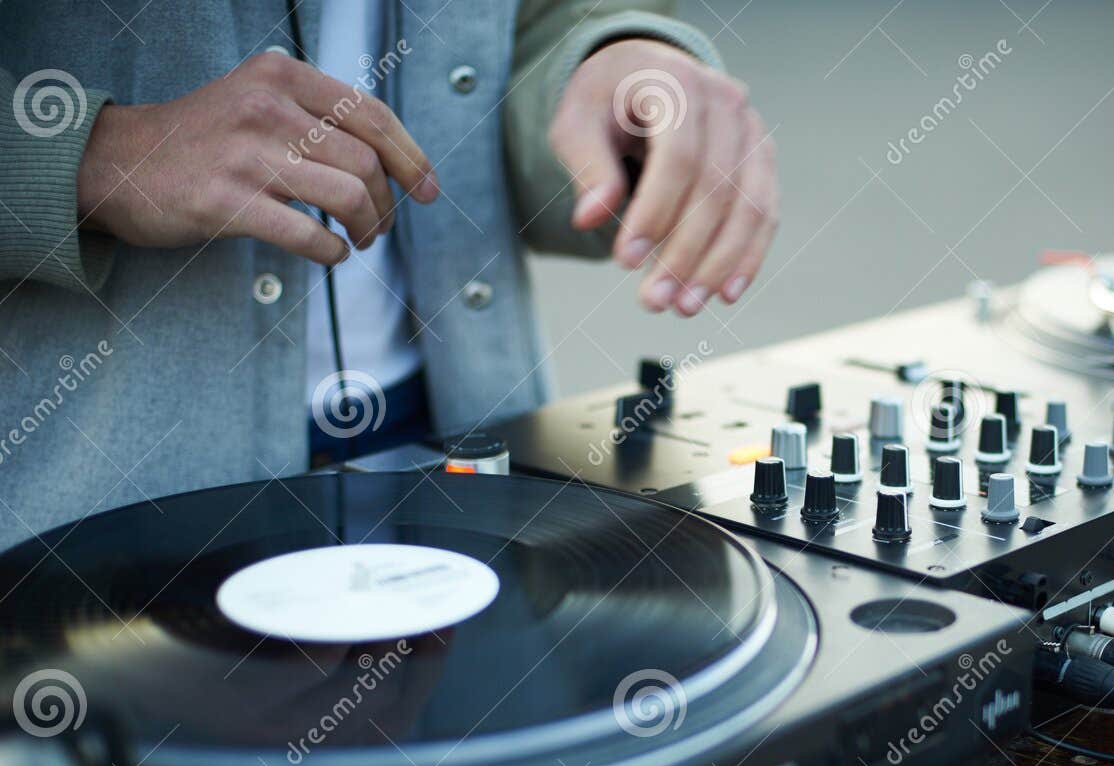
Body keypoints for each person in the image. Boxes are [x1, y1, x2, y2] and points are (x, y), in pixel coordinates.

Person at [0, 1, 777, 545]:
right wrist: (92, 156)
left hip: (468, 442)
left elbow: (533, 30)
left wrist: (612, 57)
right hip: (90, 504)